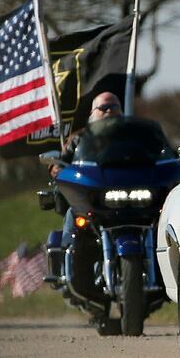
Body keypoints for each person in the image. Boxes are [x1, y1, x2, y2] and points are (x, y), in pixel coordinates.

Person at [54, 92, 123, 245]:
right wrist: (57, 167)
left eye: (114, 107)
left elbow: (158, 153)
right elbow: (61, 162)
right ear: (93, 113)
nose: (109, 111)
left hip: (130, 197)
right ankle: (69, 253)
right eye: (104, 108)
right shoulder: (79, 139)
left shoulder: (133, 136)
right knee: (74, 214)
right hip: (93, 198)